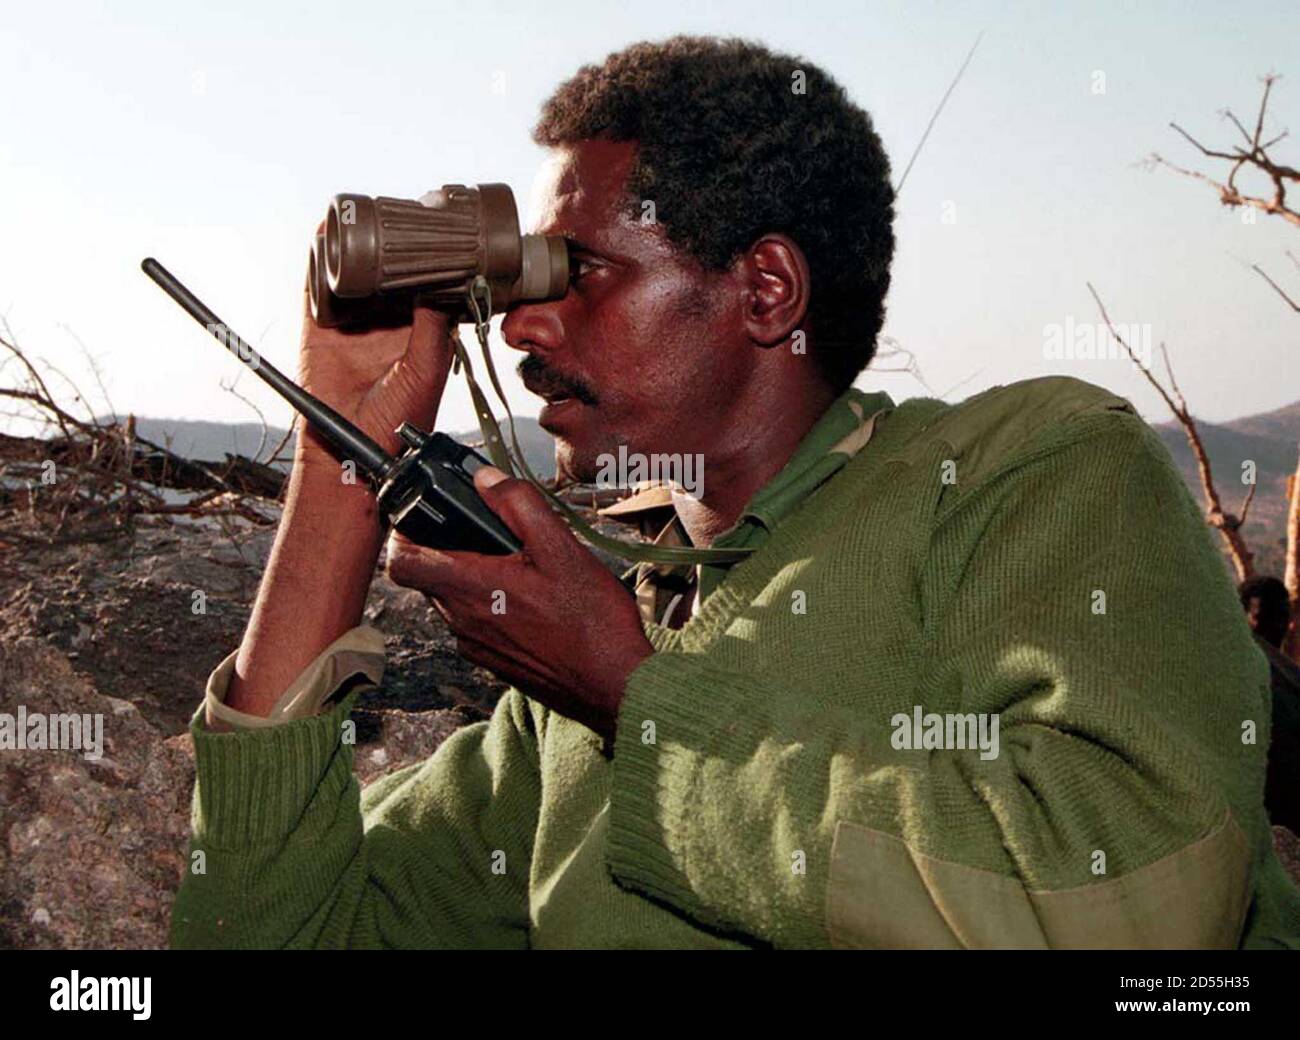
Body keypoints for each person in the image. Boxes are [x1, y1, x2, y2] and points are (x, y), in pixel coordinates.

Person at [169, 35, 1300, 949]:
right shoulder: (610, 631)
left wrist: (635, 701)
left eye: (579, 271)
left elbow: (1131, 904)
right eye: (519, 279)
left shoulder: (1025, 469)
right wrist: (342, 465)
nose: (519, 321)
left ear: (764, 290)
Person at [1240, 576, 1300, 834]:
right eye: (1263, 617)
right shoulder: (1241, 667)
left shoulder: (1287, 672)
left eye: (1281, 615)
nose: (1277, 626)